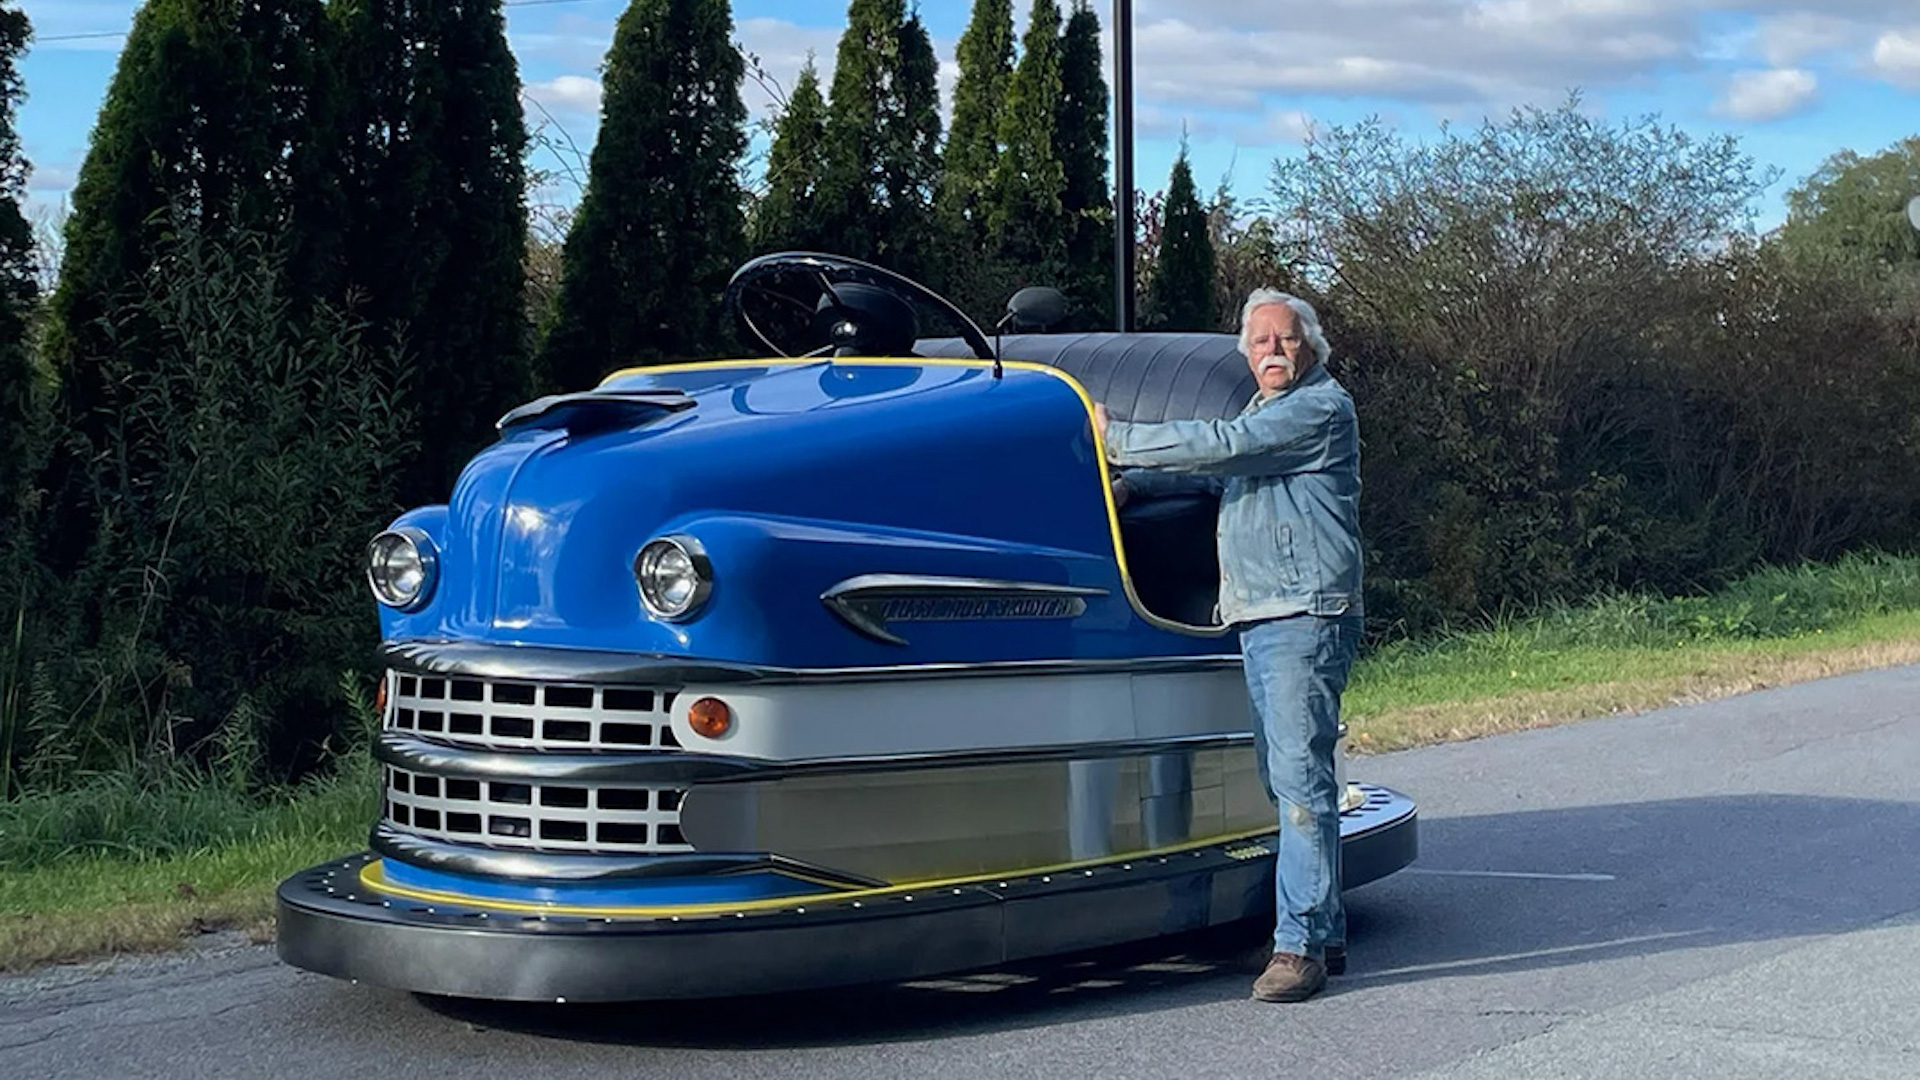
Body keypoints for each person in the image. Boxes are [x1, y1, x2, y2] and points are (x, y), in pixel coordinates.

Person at [1093, 289, 1363, 1004]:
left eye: (1285, 339)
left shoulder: (1320, 409)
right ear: (1245, 353)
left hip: (1302, 613)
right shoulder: (1264, 413)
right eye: (1260, 341)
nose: (1271, 350)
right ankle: (1321, 927)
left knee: (1300, 786)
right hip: (1262, 614)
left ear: (1311, 348)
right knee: (1287, 782)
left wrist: (1112, 438)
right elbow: (1217, 467)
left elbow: (1223, 449)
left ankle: (1298, 947)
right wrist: (1127, 485)